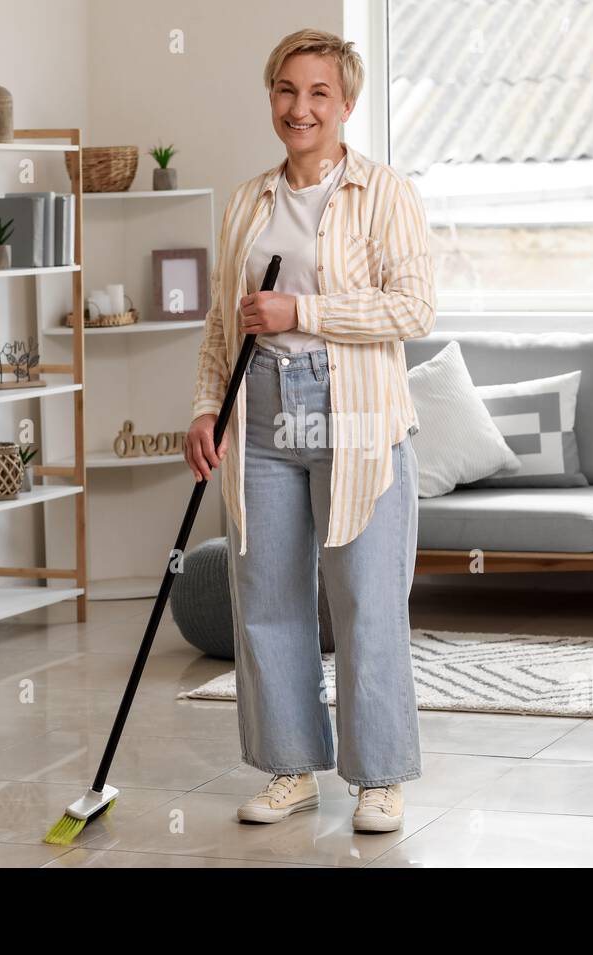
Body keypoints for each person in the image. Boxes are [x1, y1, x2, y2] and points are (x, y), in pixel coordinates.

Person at [186, 28, 436, 833]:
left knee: (365, 598)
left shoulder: (384, 193)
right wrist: (203, 407)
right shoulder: (247, 202)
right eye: (287, 91)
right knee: (265, 595)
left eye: (319, 93)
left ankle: (380, 777)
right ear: (271, 100)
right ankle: (290, 767)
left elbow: (413, 309)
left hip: (356, 411)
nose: (301, 108)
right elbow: (225, 329)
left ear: (347, 105)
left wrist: (305, 312)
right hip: (260, 406)